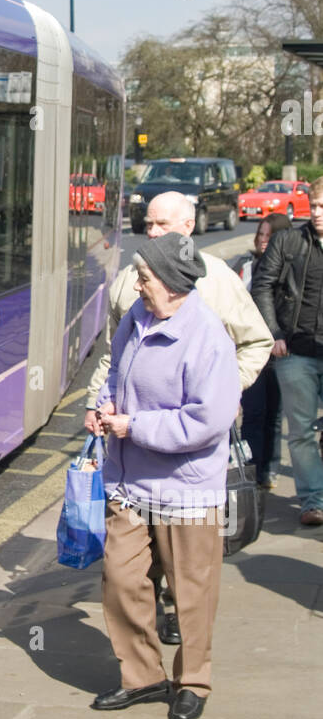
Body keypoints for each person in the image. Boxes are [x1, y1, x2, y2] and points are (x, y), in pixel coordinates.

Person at [85, 191, 272, 644]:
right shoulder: (129, 280)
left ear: (188, 227)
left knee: (187, 550)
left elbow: (257, 342)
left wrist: (227, 389)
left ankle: (174, 612)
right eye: (147, 224)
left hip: (193, 441)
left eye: (162, 225)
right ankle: (143, 640)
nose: (151, 233)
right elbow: (114, 353)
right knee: (131, 558)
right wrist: (97, 402)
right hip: (131, 446)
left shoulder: (217, 280)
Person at [92, 234, 240, 719]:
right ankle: (144, 677)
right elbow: (116, 374)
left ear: (175, 287)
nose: (138, 285)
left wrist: (135, 426)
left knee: (192, 591)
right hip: (131, 481)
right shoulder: (137, 317)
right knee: (121, 578)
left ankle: (193, 681)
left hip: (186, 487)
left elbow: (206, 421)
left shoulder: (208, 337)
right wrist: (105, 406)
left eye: (147, 278)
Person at [252, 178, 323, 526]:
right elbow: (262, 284)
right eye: (316, 205)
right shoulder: (289, 240)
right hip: (294, 351)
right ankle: (313, 501)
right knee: (301, 431)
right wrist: (274, 333)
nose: (319, 213)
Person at [232, 213, 290, 490]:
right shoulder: (245, 264)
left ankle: (270, 468)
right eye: (260, 235)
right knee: (253, 412)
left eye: (270, 236)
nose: (263, 241)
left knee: (274, 414)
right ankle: (252, 470)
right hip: (250, 349)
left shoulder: (291, 268)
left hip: (281, 349)